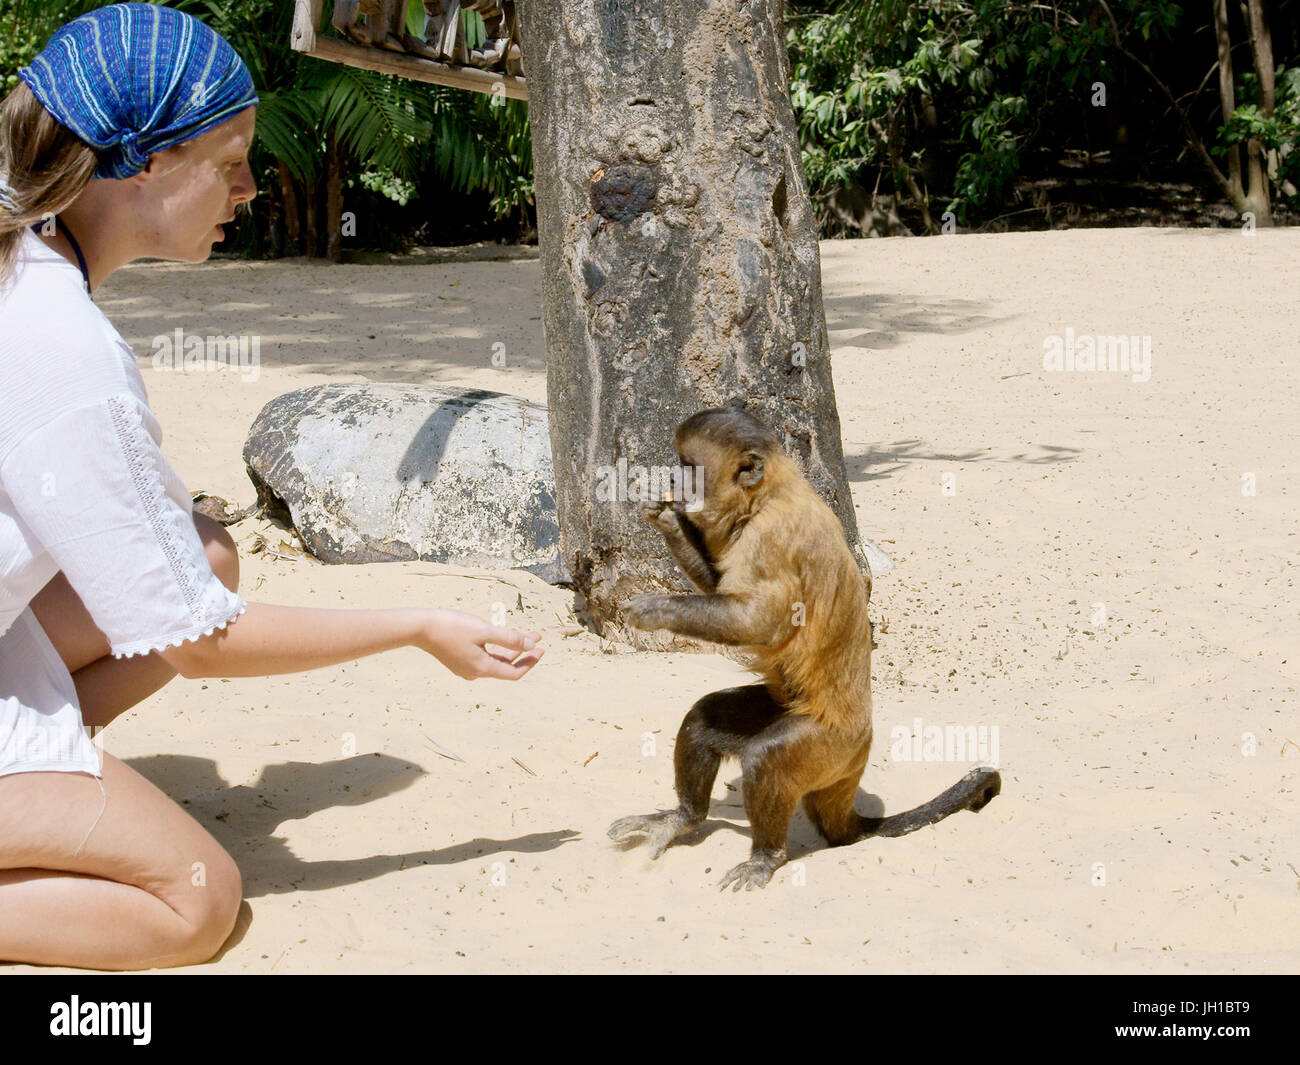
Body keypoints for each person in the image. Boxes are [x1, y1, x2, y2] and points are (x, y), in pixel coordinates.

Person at [0, 3, 542, 971]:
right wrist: (416, 625)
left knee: (203, 547)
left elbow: (180, 580)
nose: (250, 186)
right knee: (196, 904)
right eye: (229, 159)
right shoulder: (63, 349)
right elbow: (199, 645)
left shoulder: (26, 244)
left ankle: (46, 786)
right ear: (145, 163)